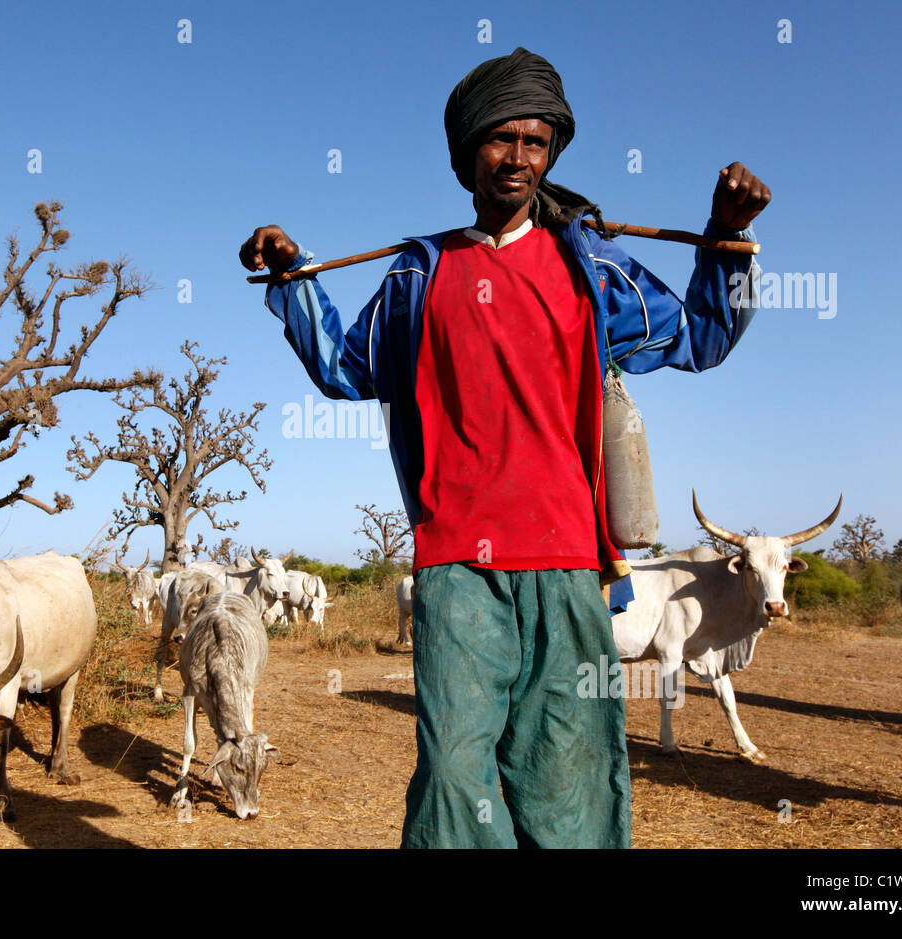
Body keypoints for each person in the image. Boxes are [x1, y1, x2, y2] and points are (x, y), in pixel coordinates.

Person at [239, 47, 770, 849]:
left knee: (569, 777)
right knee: (453, 776)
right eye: (499, 139)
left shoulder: (589, 266)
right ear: (466, 156)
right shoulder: (419, 275)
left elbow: (699, 337)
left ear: (552, 150)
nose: (518, 157)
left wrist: (727, 242)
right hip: (455, 571)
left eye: (534, 140)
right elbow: (349, 369)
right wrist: (296, 280)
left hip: (567, 567)